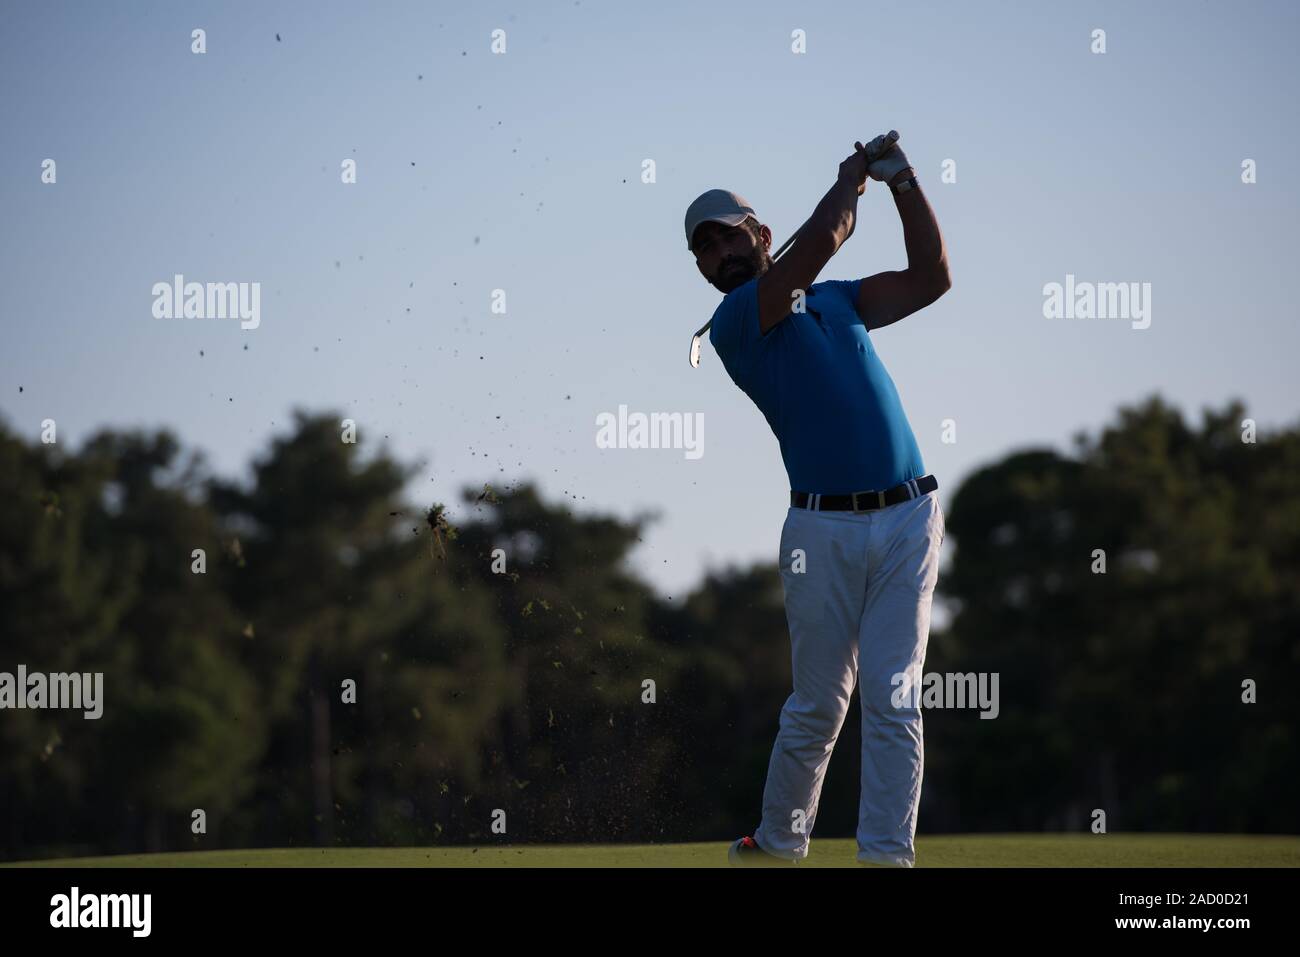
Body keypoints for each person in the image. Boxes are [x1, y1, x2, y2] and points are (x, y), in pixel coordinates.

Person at [684, 134, 951, 867]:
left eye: (729, 237)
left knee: (895, 698)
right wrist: (850, 180)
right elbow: (827, 236)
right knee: (819, 707)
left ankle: (887, 860)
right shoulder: (742, 319)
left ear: (761, 234)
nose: (720, 255)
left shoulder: (838, 301)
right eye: (705, 250)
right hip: (819, 530)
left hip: (908, 518)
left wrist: (901, 183)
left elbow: (931, 279)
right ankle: (776, 845)